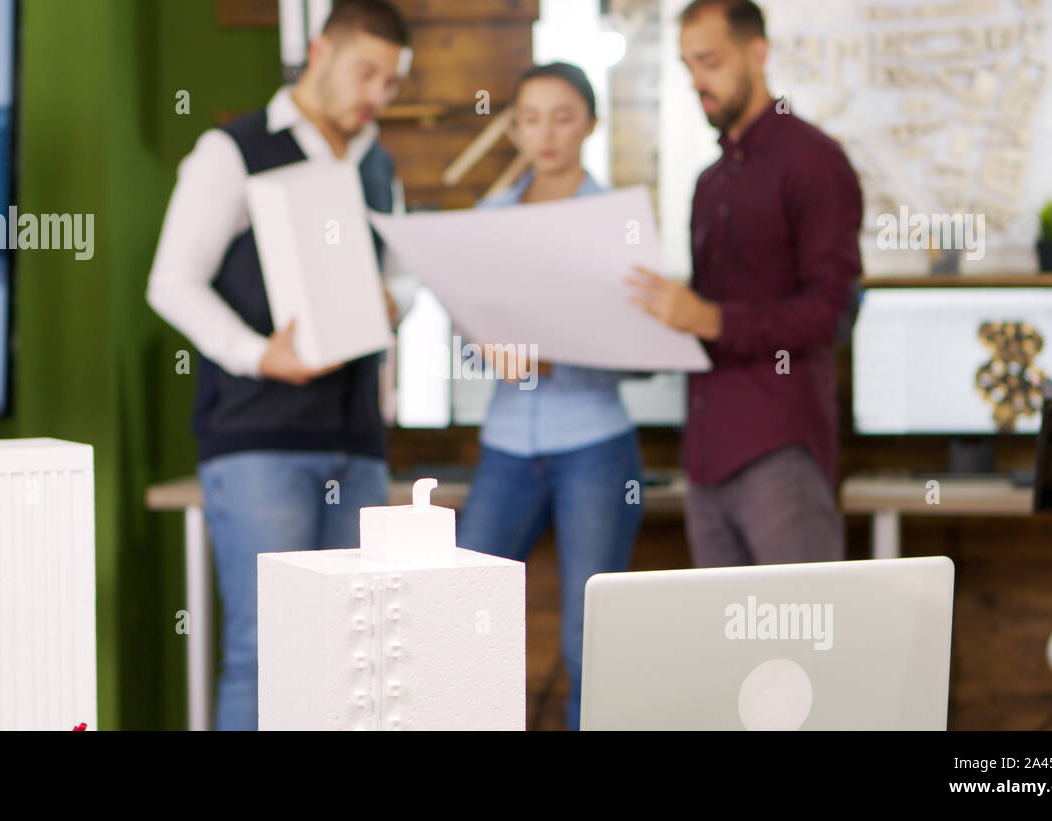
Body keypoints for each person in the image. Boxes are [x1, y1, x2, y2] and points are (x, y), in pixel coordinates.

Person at [145, 0, 411, 731]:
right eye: (367, 73)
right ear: (320, 51)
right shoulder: (232, 149)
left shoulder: (377, 162)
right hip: (259, 440)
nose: (376, 96)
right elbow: (171, 281)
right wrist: (260, 354)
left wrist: (394, 302)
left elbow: (398, 278)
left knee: (353, 658)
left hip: (356, 445)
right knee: (265, 652)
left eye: (391, 82)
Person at [628, 0, 862, 569]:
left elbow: (831, 312)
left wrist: (709, 318)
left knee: (804, 641)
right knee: (730, 650)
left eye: (709, 61)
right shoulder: (708, 182)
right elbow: (702, 315)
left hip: (779, 447)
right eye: (688, 66)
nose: (696, 82)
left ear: (757, 53)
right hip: (705, 454)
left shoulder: (815, 162)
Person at [456, 62, 647, 732]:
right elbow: (466, 335)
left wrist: (563, 343)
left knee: (588, 639)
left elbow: (644, 350)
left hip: (594, 444)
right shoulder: (489, 217)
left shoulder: (616, 221)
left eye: (563, 116)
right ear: (513, 125)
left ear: (590, 124)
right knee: (462, 613)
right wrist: (482, 339)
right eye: (530, 116)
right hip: (505, 446)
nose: (546, 132)